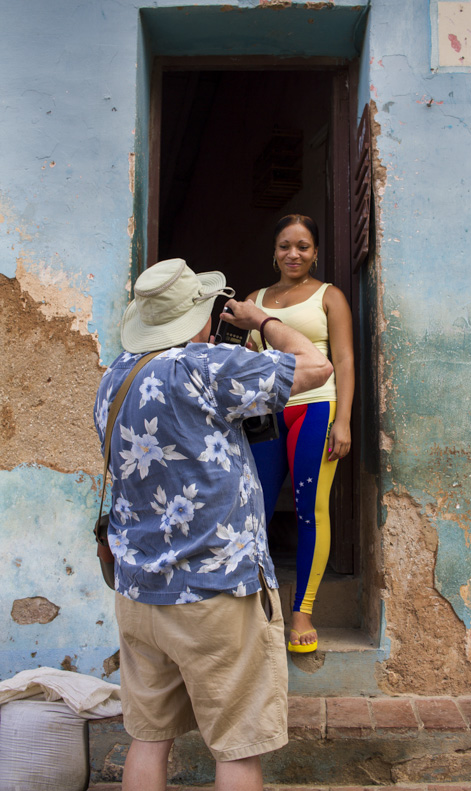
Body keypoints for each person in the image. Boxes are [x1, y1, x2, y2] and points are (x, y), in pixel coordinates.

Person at [93, 258, 333, 791]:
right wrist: (261, 321)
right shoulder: (205, 365)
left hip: (139, 592)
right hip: (216, 594)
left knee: (149, 738)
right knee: (238, 748)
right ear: (200, 314)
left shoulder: (114, 376)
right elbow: (315, 366)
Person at [246, 214, 354, 654]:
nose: (294, 254)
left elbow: (344, 361)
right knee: (253, 509)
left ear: (314, 252)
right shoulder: (254, 300)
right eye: (286, 246)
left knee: (311, 510)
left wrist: (343, 419)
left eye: (304, 246)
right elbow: (246, 362)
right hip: (266, 414)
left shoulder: (330, 297)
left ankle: (302, 612)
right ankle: (252, 608)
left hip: (317, 410)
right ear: (273, 251)